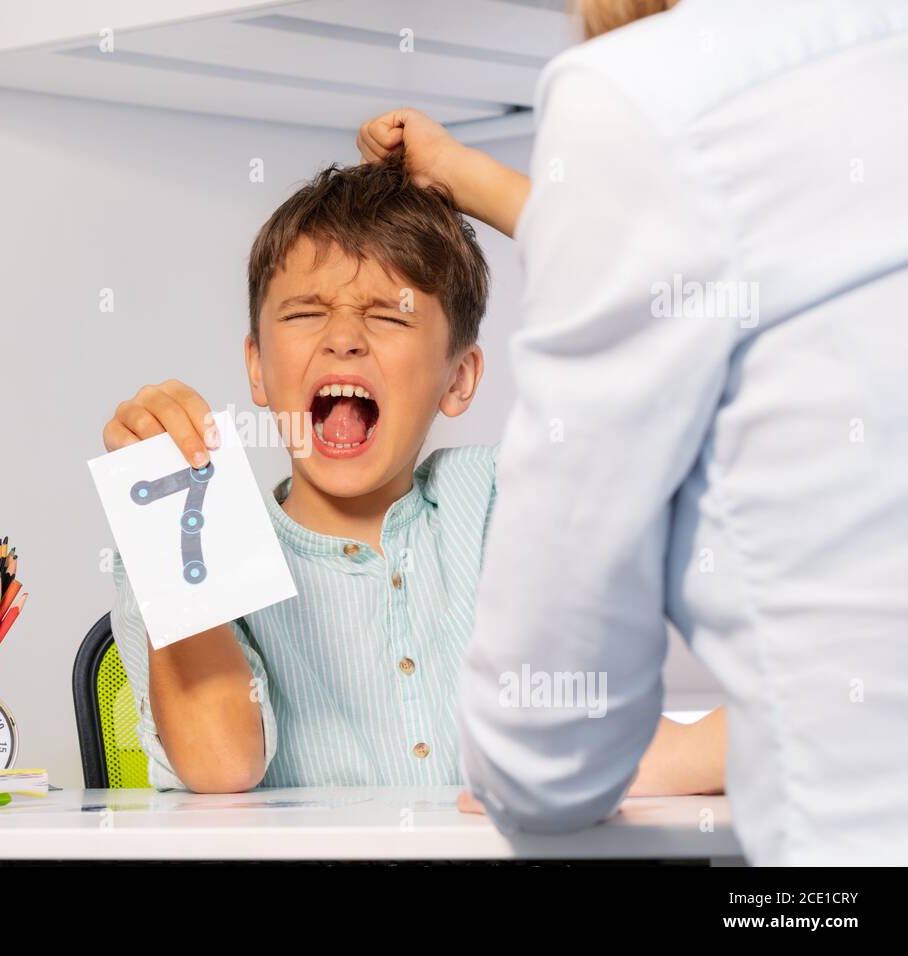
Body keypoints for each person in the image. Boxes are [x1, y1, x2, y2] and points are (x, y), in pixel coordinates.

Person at [359, 0, 908, 863]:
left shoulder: (650, 88)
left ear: (461, 376)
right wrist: (468, 176)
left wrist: (645, 755)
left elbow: (545, 758)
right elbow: (717, 247)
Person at [101, 156, 725, 796]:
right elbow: (222, 764)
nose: (343, 339)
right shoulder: (185, 541)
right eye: (304, 313)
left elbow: (665, 297)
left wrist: (469, 178)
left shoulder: (503, 500)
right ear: (257, 369)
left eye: (389, 315)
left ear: (459, 378)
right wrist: (177, 523)